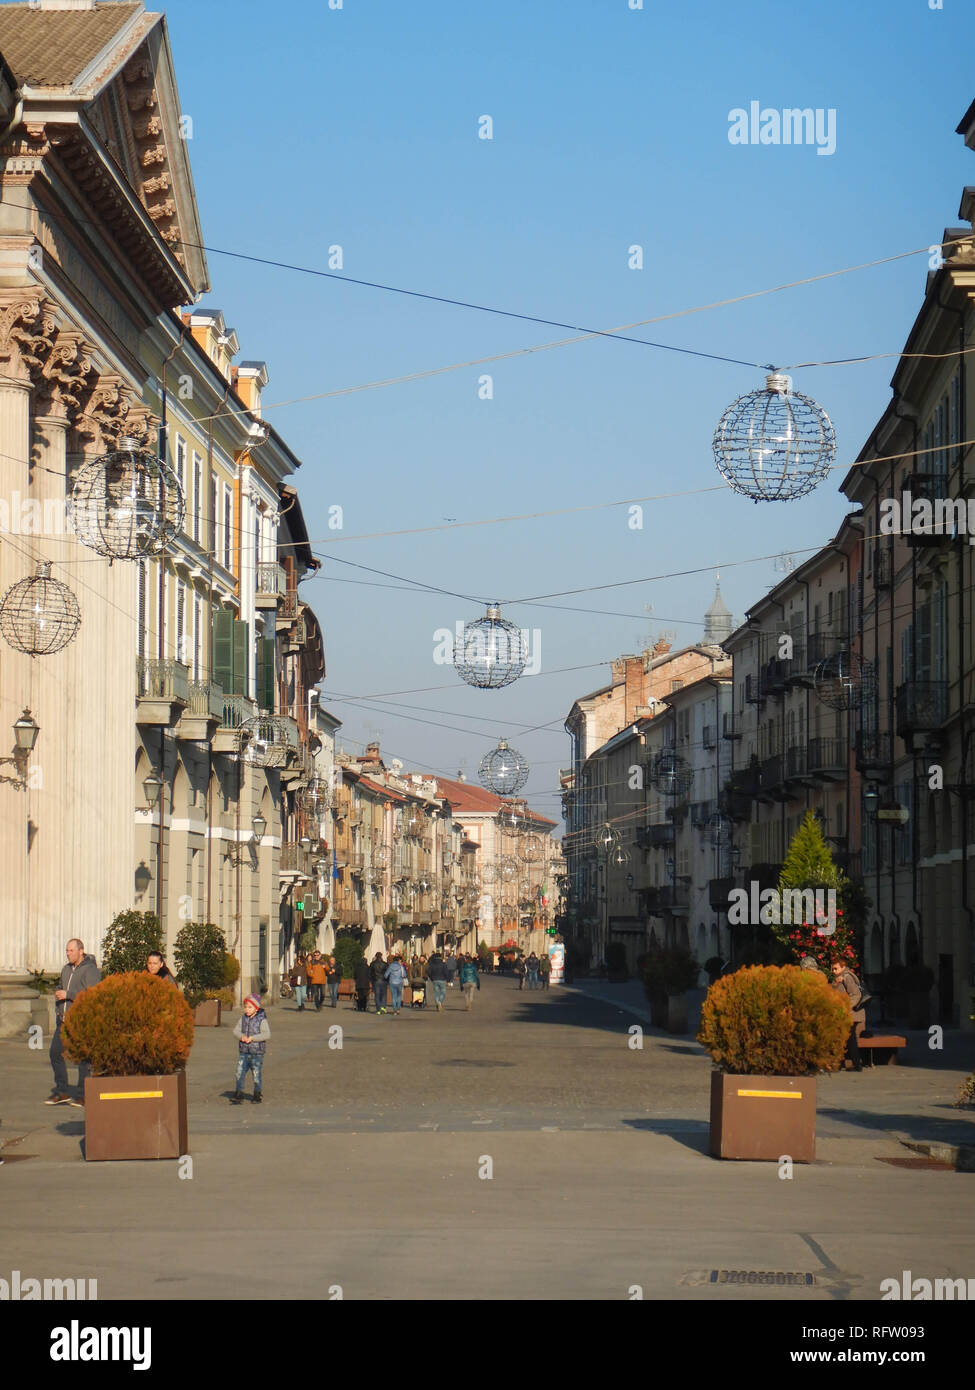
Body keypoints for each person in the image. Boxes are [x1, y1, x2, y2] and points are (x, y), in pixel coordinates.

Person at [47, 939, 101, 1107]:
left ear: (81, 951)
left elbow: (92, 994)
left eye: (71, 950)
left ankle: (83, 1095)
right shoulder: (66, 969)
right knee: (55, 1053)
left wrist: (68, 994)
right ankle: (62, 1091)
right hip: (63, 1021)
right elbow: (61, 987)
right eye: (67, 950)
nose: (68, 953)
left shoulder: (90, 970)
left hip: (80, 1021)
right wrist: (58, 1005)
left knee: (83, 1059)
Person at [232, 993, 270, 1102]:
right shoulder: (243, 1018)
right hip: (244, 1051)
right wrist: (241, 1036)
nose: (247, 1010)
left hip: (257, 1052)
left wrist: (253, 1038)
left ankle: (257, 1093)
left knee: (256, 1073)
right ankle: (239, 1092)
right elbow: (236, 1031)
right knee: (239, 1071)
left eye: (250, 1007)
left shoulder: (261, 1020)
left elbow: (267, 1034)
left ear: (256, 1008)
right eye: (245, 1007)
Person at [831, 959, 865, 1072]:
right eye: (833, 969)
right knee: (847, 1039)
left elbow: (856, 995)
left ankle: (853, 1064)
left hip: (850, 1014)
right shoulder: (841, 978)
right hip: (848, 1014)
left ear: (843, 967)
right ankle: (853, 1064)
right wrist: (836, 983)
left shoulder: (847, 977)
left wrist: (846, 1007)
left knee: (848, 1039)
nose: (833, 971)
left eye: (836, 968)